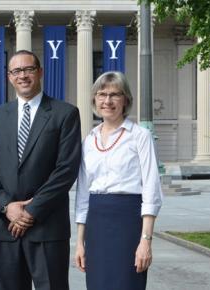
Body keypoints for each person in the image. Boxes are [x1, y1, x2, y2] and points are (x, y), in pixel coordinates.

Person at [0, 50, 81, 290]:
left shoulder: (65, 114)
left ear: (40, 73)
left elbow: (66, 169)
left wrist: (31, 211)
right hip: (7, 228)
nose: (22, 76)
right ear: (9, 77)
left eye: (28, 69)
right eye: (16, 71)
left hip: (47, 226)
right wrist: (7, 207)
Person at [74, 71, 164, 290]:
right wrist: (79, 243)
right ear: (94, 99)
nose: (108, 101)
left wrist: (145, 240)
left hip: (127, 223)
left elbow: (151, 188)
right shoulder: (89, 140)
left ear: (126, 100)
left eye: (115, 94)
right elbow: (83, 194)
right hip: (96, 226)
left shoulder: (140, 136)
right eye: (102, 94)